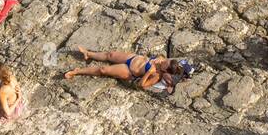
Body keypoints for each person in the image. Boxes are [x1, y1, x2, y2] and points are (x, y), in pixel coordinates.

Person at [62, 47, 194, 94]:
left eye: (166, 63)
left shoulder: (156, 75)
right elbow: (159, 57)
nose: (164, 61)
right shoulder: (161, 59)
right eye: (166, 60)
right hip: (134, 58)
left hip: (129, 70)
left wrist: (148, 72)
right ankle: (88, 54)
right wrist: (156, 59)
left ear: (166, 69)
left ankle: (77, 71)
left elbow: (142, 85)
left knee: (103, 69)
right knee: (110, 55)